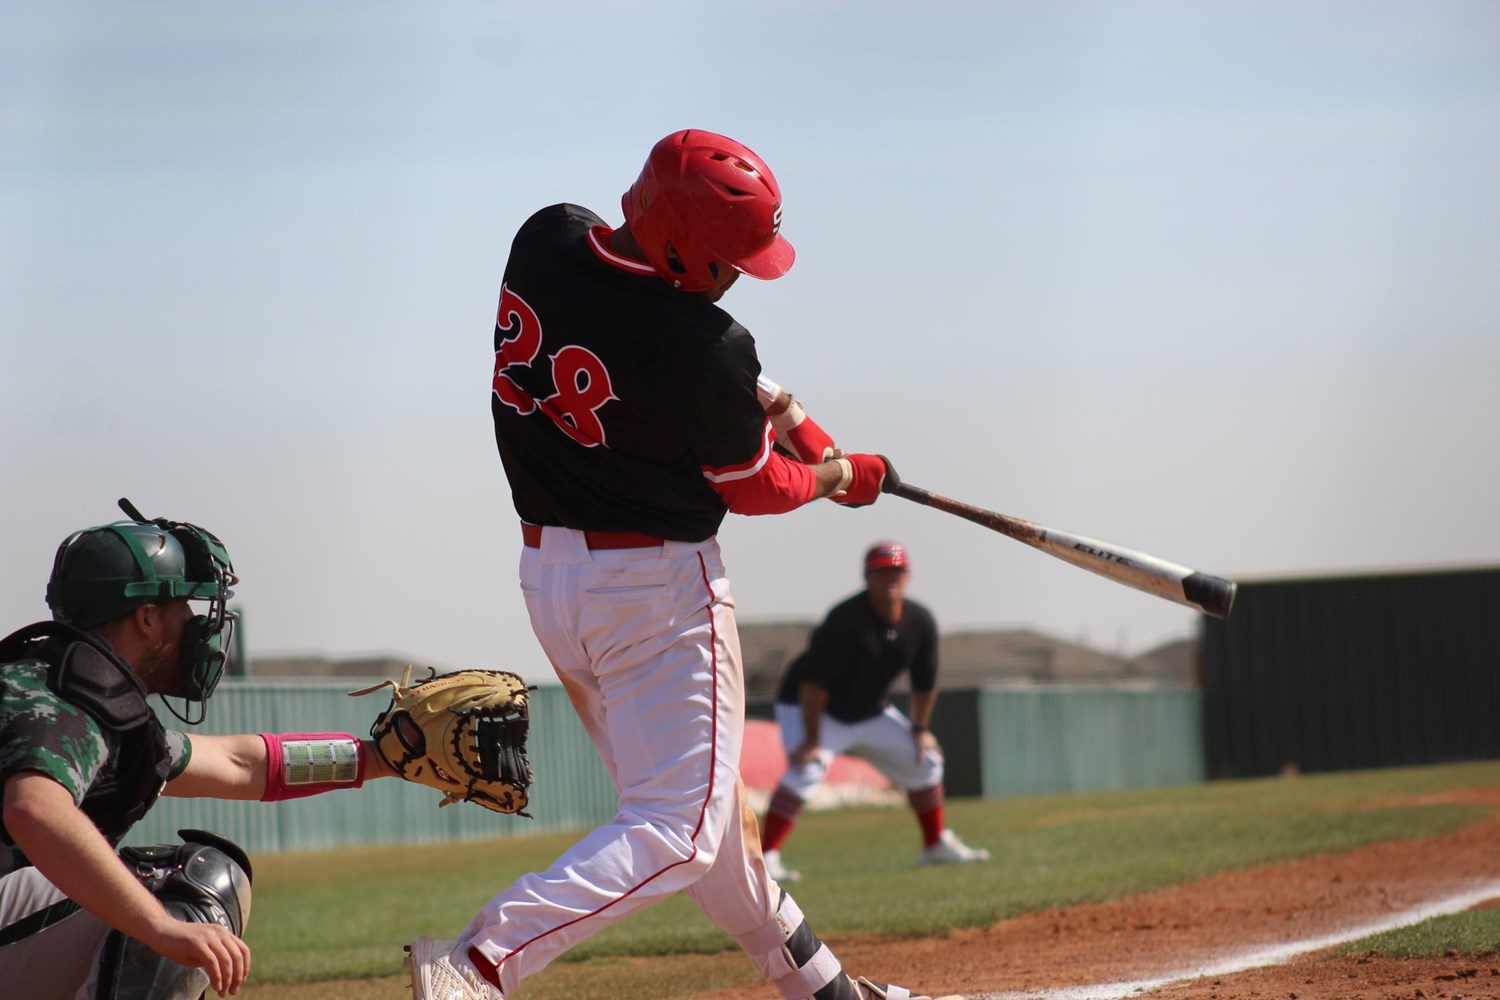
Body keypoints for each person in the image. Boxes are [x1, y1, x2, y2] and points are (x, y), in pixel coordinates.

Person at [405, 130, 960, 1000]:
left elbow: (646, 337)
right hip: (656, 597)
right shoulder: (706, 346)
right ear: (680, 249)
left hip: (552, 586)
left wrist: (779, 406)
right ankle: (479, 962)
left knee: (713, 829)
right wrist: (838, 476)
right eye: (729, 260)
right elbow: (760, 486)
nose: (738, 276)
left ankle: (827, 991)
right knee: (679, 827)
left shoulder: (545, 238)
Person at [0, 502, 399, 999]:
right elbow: (34, 810)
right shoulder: (62, 701)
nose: (195, 622)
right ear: (148, 617)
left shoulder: (59, 684)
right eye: (184, 607)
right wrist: (159, 927)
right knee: (194, 882)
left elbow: (240, 764)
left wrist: (385, 758)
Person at [760, 541, 990, 884]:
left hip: (868, 710)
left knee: (926, 761)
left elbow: (925, 683)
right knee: (805, 769)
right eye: (881, 571)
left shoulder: (920, 621)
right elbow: (814, 685)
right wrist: (811, 740)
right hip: (812, 707)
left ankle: (934, 845)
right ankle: (764, 859)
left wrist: (920, 729)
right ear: (866, 577)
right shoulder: (845, 619)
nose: (889, 578)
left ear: (908, 576)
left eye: (896, 571)